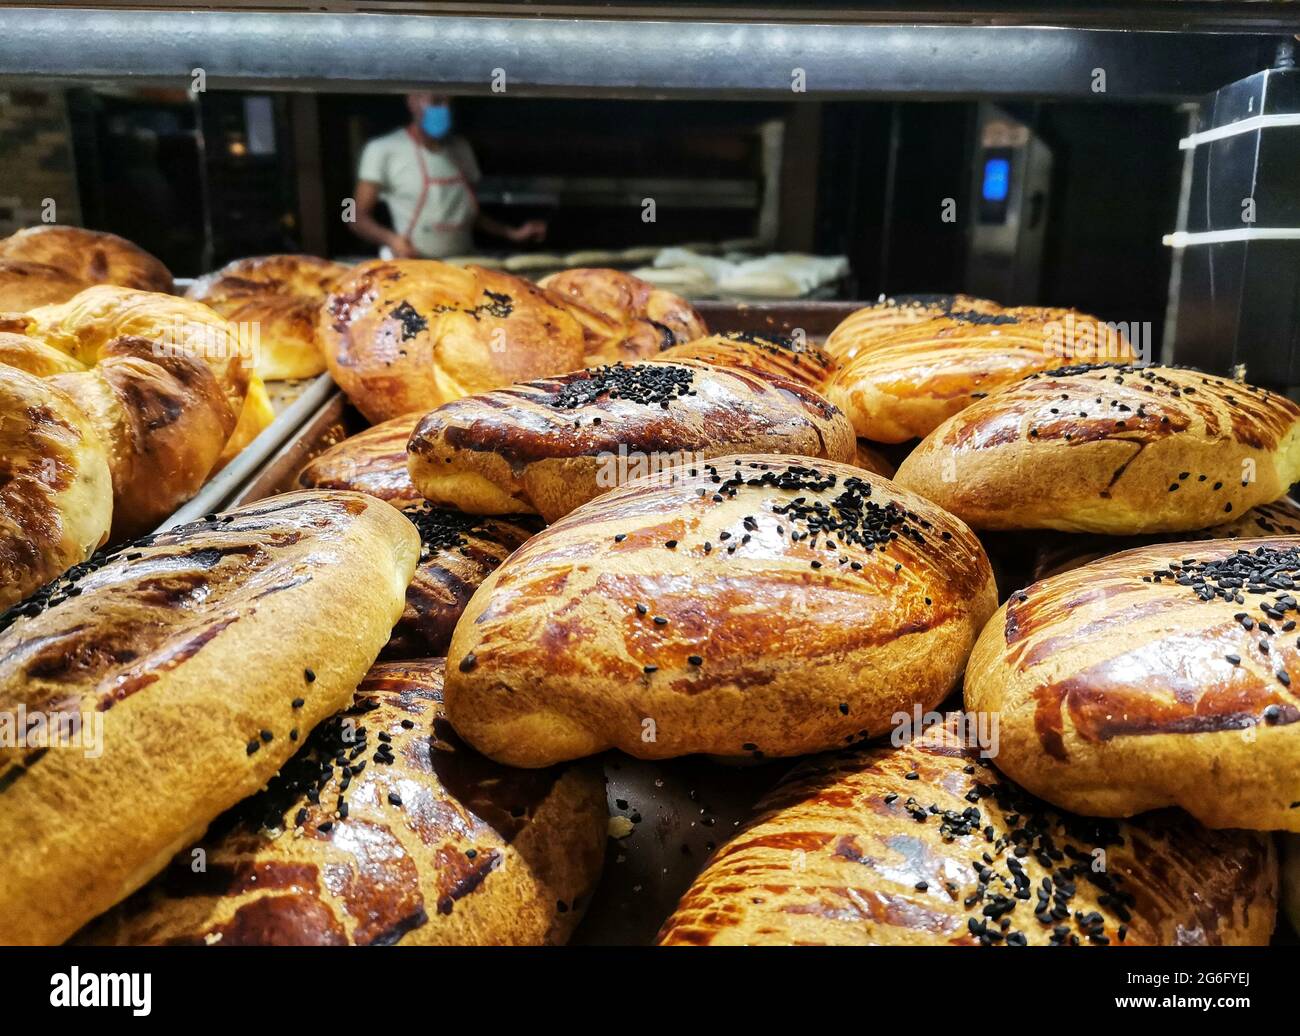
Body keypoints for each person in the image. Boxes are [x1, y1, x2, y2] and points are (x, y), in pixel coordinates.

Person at [350, 92, 546, 259]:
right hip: (414, 264)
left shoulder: (461, 149)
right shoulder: (383, 149)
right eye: (436, 101)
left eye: (448, 103)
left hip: (463, 262)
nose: (443, 109)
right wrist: (391, 240)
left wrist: (513, 233)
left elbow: (467, 213)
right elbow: (356, 217)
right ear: (412, 101)